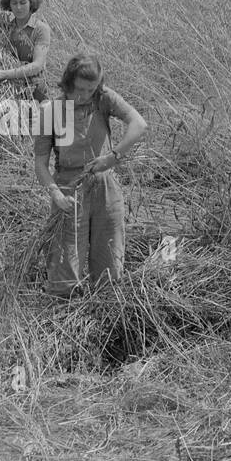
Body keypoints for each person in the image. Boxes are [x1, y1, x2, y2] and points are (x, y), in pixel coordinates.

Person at [33, 55, 148, 297]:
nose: (84, 95)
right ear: (68, 83)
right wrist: (55, 193)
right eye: (79, 89)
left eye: (91, 89)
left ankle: (104, 313)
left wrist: (113, 157)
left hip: (105, 185)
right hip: (68, 190)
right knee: (65, 266)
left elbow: (139, 124)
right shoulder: (51, 110)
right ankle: (64, 314)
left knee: (109, 264)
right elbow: (40, 163)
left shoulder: (104, 99)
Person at [0, 0, 52, 99]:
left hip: (34, 89)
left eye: (23, 3)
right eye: (14, 3)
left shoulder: (41, 29)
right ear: (9, 5)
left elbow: (37, 66)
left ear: (31, 3)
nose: (18, 7)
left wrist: (3, 74)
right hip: (8, 89)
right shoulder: (5, 28)